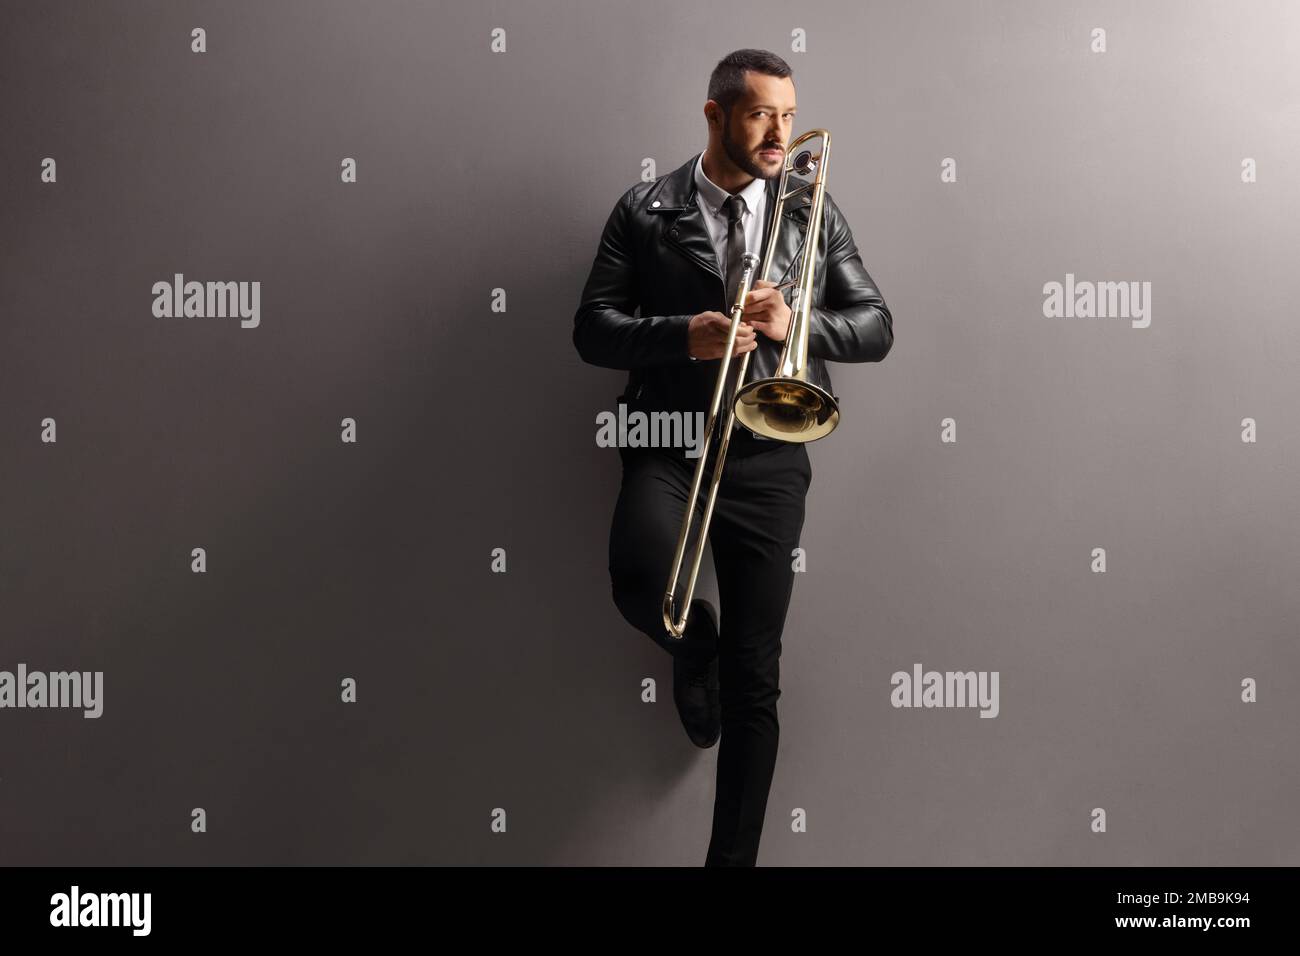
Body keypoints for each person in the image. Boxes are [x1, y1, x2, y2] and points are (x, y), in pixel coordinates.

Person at [572, 48, 894, 866]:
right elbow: (591, 328)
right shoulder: (645, 209)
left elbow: (877, 326)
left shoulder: (810, 206)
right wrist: (682, 335)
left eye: (789, 114)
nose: (781, 133)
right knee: (641, 581)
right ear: (714, 116)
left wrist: (798, 327)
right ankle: (692, 644)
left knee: (758, 678)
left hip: (772, 446)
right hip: (667, 439)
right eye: (760, 115)